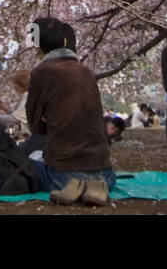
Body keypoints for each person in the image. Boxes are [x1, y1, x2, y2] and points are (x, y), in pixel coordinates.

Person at [26, 17, 114, 206]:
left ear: (37, 48)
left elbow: (35, 127)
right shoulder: (86, 72)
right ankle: (95, 186)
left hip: (62, 173)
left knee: (26, 161)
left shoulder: (41, 73)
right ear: (65, 41)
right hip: (105, 171)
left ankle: (75, 185)